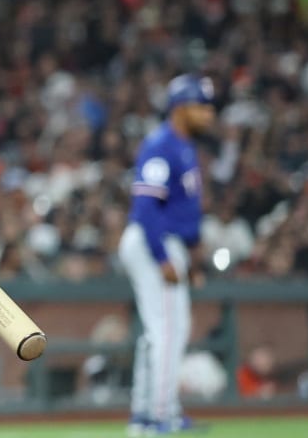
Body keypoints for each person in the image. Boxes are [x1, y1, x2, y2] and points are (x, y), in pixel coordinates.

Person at [119, 75, 212, 435]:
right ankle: (162, 415)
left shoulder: (183, 146)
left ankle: (145, 414)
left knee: (159, 331)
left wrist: (193, 260)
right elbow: (146, 206)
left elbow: (184, 211)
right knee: (168, 331)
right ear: (180, 108)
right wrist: (162, 257)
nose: (207, 114)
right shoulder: (162, 144)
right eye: (200, 106)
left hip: (165, 242)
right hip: (153, 241)